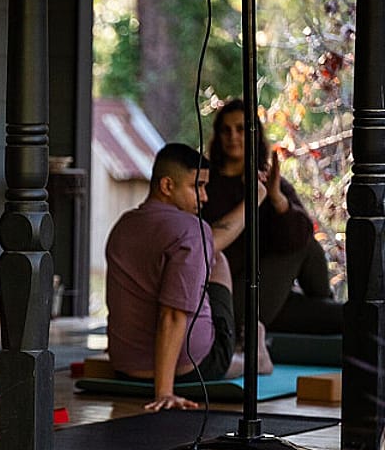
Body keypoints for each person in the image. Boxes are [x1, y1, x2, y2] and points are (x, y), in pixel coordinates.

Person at [106, 143, 272, 412]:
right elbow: (171, 315)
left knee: (212, 252)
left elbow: (214, 237)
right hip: (190, 369)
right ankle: (249, 357)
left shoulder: (124, 226)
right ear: (167, 186)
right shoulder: (192, 232)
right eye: (197, 187)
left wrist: (255, 197)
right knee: (218, 260)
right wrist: (164, 391)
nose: (204, 197)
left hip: (126, 369)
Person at [202, 98, 341, 334]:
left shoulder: (271, 181)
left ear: (254, 134)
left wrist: (276, 198)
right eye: (226, 130)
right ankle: (323, 300)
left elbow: (299, 231)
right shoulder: (204, 185)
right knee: (304, 244)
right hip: (227, 297)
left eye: (241, 129)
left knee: (348, 316)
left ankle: (323, 302)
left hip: (270, 295)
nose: (233, 136)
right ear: (218, 136)